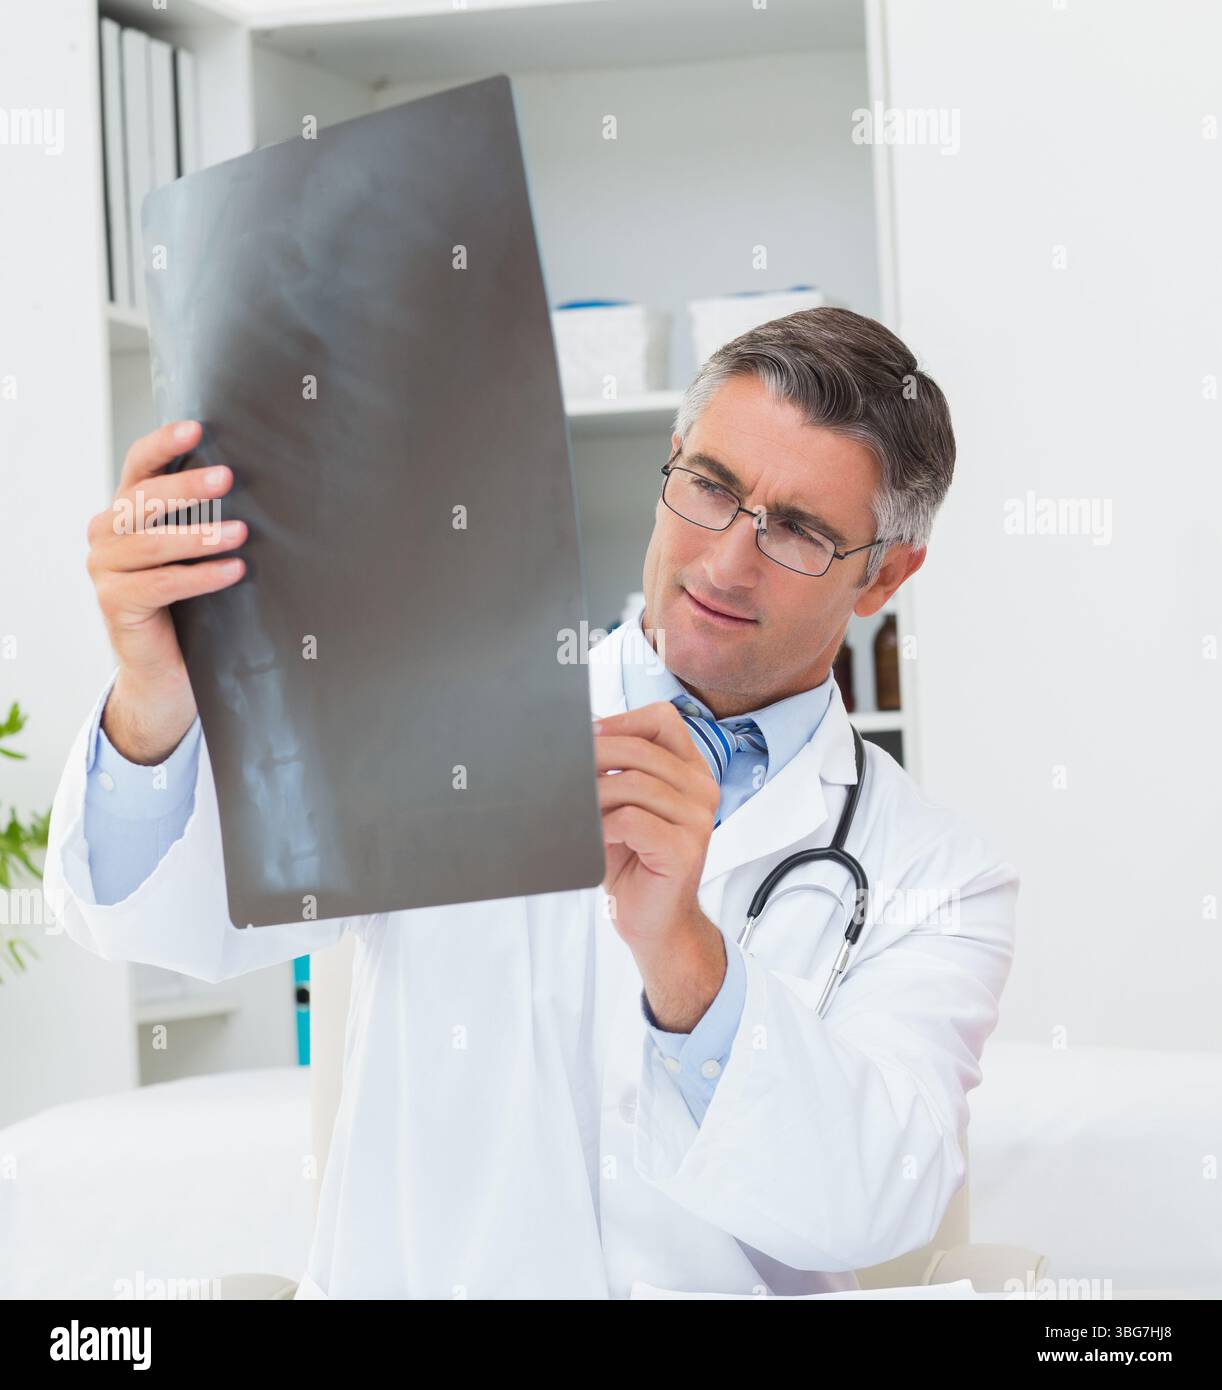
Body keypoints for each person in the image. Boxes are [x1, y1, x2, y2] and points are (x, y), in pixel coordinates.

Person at [44, 306, 1018, 1299]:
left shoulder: (936, 875)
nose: (726, 561)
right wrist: (155, 689)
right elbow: (167, 918)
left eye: (801, 531)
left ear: (885, 575)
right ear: (670, 462)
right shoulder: (436, 708)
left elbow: (875, 1196)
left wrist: (685, 957)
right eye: (711, 487)